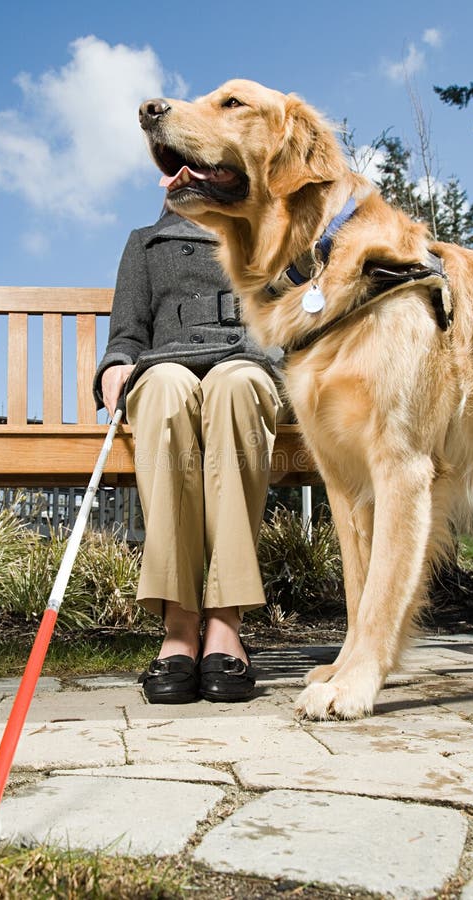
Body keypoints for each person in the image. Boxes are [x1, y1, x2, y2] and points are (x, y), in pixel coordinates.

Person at [93, 210, 285, 704]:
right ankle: (179, 625)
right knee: (164, 387)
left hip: (245, 363)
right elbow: (127, 334)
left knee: (236, 385)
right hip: (167, 367)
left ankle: (224, 623)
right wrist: (116, 364)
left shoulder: (267, 233)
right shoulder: (146, 241)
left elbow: (289, 318)